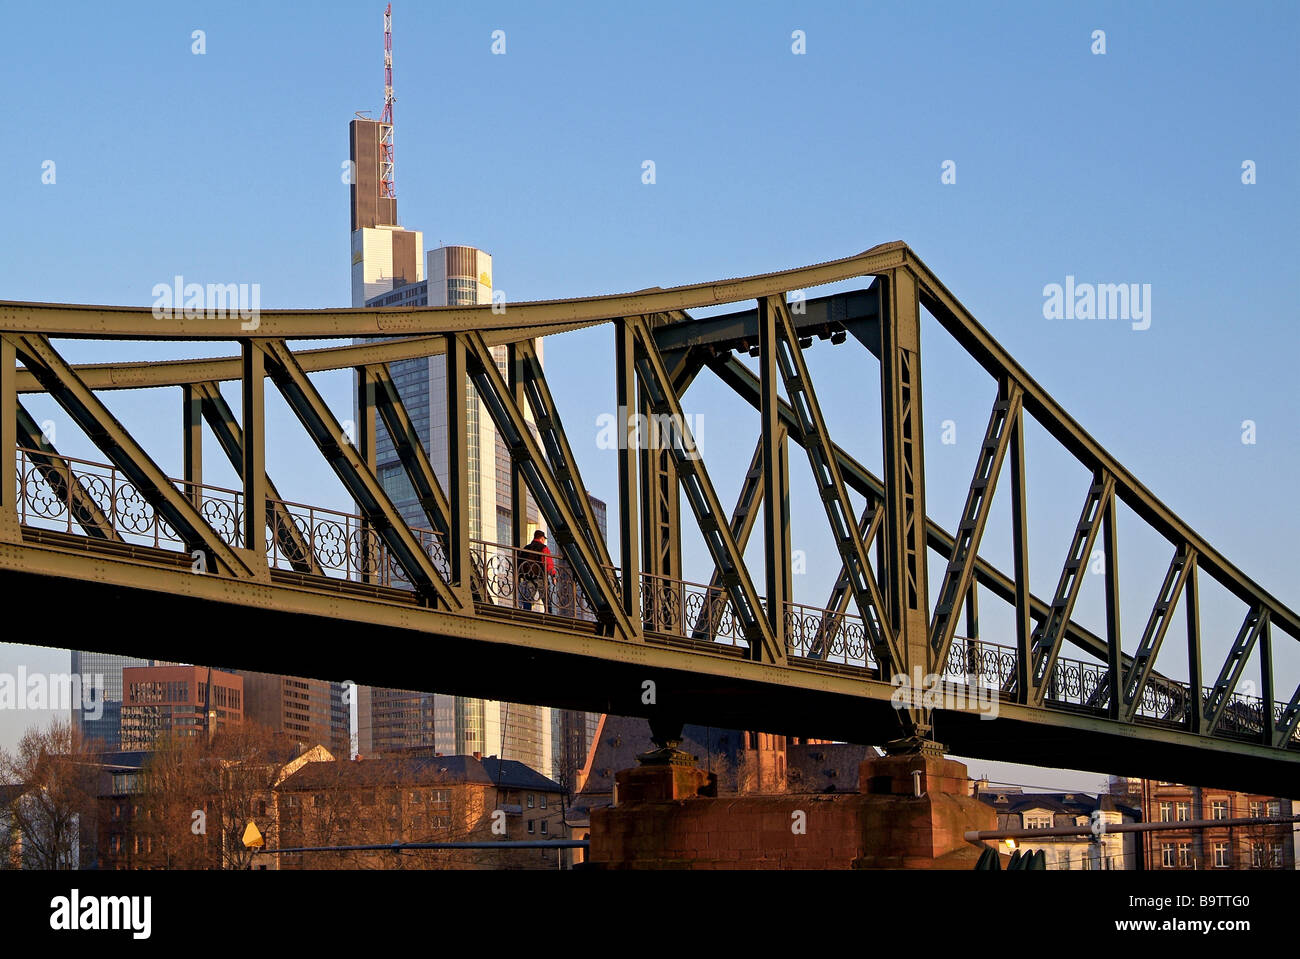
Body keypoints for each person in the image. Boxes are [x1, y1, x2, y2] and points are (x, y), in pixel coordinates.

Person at [519, 530, 557, 612]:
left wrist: (520, 576)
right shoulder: (544, 548)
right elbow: (548, 564)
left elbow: (520, 562)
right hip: (540, 577)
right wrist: (553, 576)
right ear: (542, 538)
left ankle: (527, 614)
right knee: (546, 598)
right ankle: (549, 614)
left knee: (528, 597)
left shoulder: (526, 548)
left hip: (528, 577)